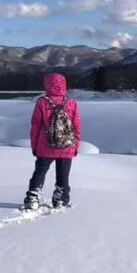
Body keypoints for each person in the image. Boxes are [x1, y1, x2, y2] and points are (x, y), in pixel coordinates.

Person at [23, 73, 82, 210]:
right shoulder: (71, 103)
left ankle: (32, 197)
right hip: (66, 146)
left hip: (45, 145)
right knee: (63, 175)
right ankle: (61, 199)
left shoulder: (42, 102)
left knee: (40, 172)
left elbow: (35, 125)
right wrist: (76, 145)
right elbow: (76, 125)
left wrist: (35, 146)